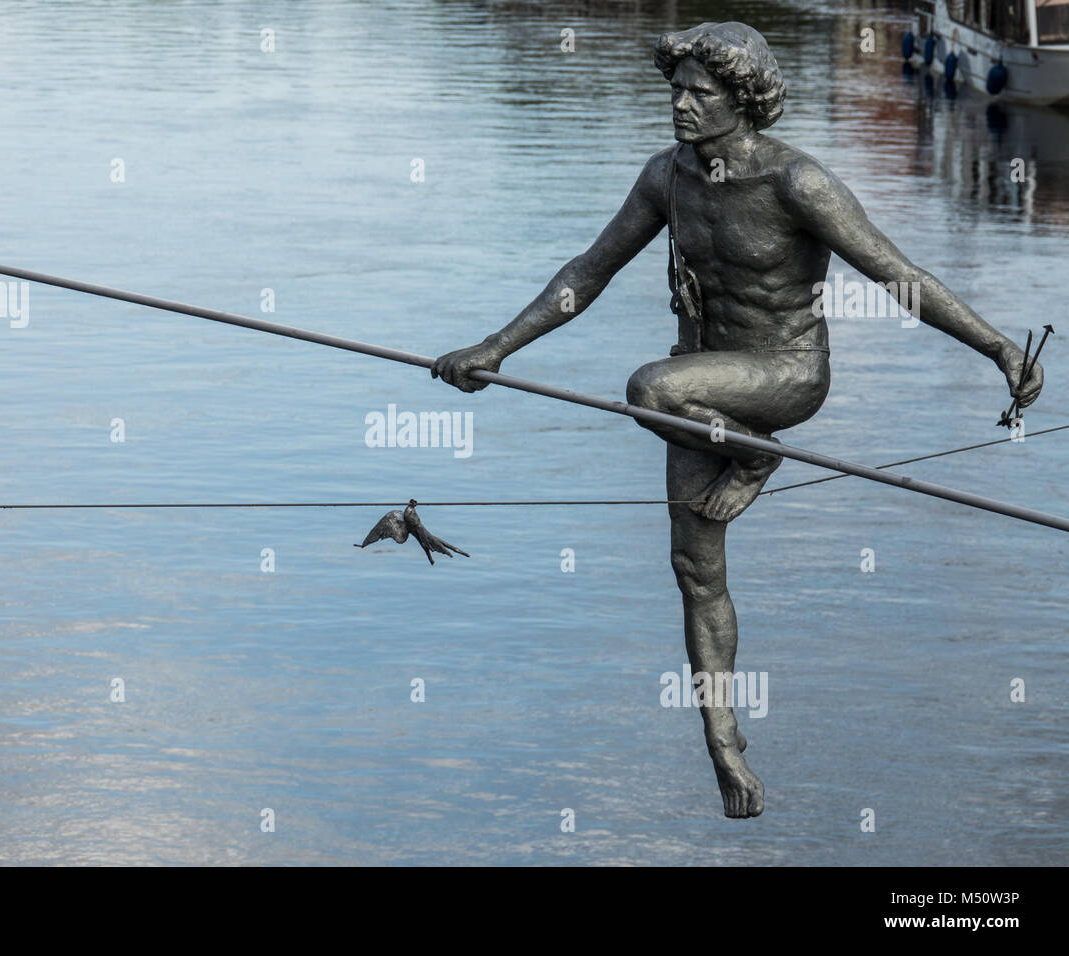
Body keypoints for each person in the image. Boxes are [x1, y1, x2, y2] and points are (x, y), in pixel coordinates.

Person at [430, 21, 1043, 818]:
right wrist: (496, 347)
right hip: (704, 389)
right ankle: (725, 748)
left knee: (647, 389)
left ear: (744, 99)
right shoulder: (666, 179)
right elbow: (588, 271)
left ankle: (756, 458)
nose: (680, 104)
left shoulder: (798, 183)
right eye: (675, 89)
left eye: (699, 92)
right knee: (694, 570)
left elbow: (900, 277)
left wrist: (999, 348)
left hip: (781, 379)